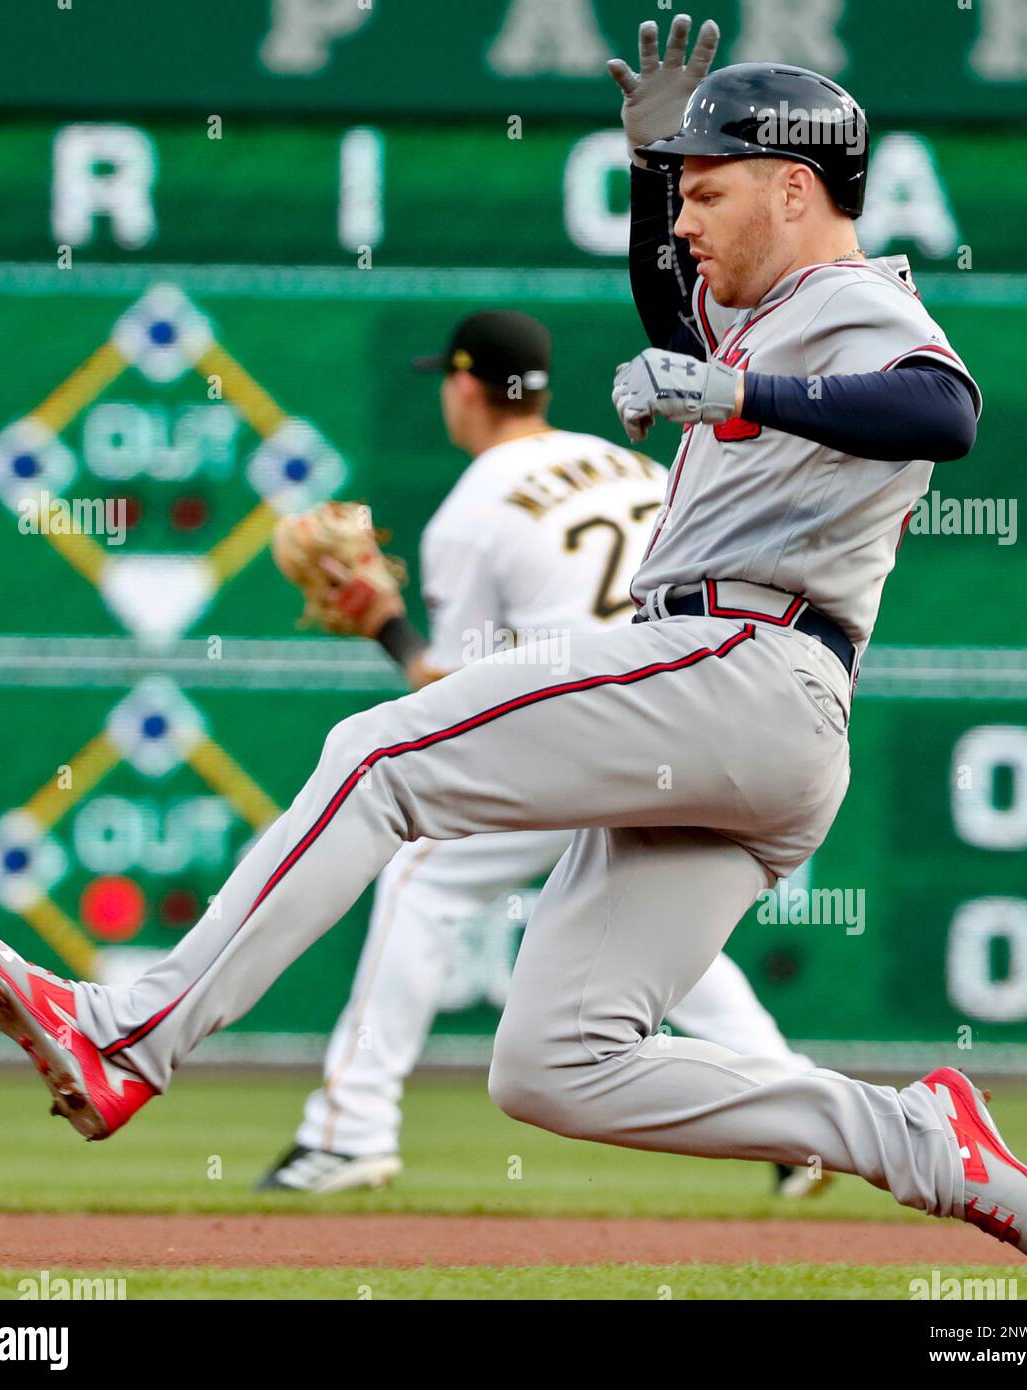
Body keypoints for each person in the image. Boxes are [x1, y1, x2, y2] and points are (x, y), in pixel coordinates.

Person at [0, 16, 1027, 1265]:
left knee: (378, 760)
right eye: (683, 194)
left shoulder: (856, 300)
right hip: (755, 718)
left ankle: (130, 1036)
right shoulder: (780, 312)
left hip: (739, 666)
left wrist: (736, 392)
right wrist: (654, 165)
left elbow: (945, 411)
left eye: (709, 190)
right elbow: (678, 310)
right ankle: (923, 1143)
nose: (687, 219)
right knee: (554, 1065)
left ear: (797, 188)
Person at [256, 309, 823, 1199]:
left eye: (446, 377)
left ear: (467, 385)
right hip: (709, 706)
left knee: (421, 878)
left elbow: (457, 705)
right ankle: (798, 1119)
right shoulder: (637, 466)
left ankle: (348, 1129)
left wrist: (386, 625)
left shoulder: (473, 509)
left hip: (601, 723)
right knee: (648, 927)